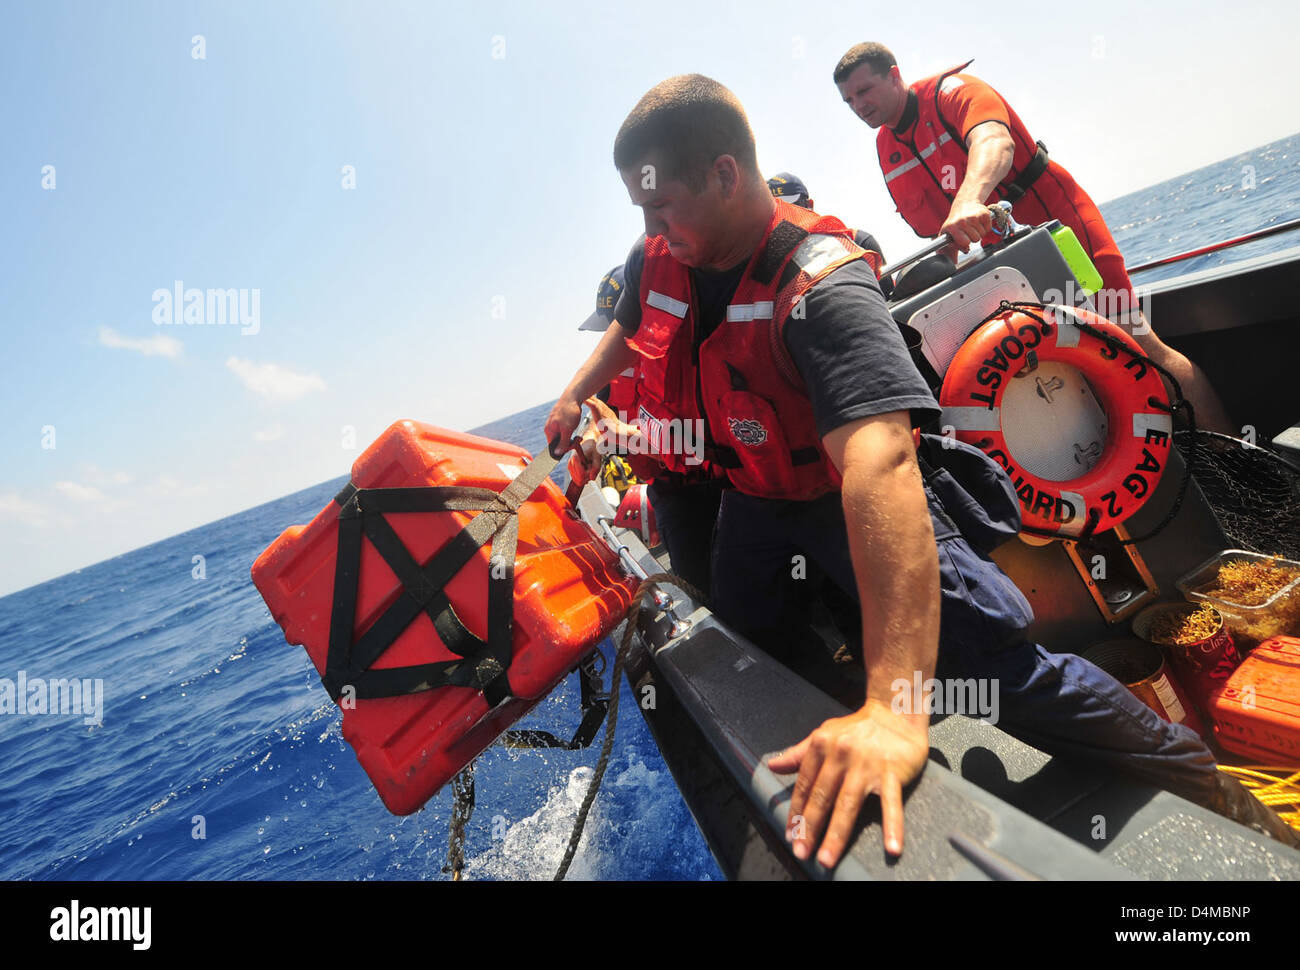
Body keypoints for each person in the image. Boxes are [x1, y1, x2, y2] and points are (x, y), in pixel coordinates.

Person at [544, 74, 1295, 867]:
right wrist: (572, 397)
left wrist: (895, 708)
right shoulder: (659, 252)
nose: (651, 226)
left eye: (661, 204)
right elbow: (630, 326)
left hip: (846, 496)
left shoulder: (823, 284)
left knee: (999, 670)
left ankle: (1201, 782)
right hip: (756, 503)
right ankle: (819, 777)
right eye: (641, 208)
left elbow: (882, 460)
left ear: (726, 175)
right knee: (746, 640)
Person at [832, 42, 1234, 433]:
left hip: (1061, 229)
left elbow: (993, 141)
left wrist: (969, 198)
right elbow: (950, 238)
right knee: (1072, 363)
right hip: (1006, 264)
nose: (859, 106)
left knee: (1137, 343)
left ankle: (1240, 460)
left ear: (895, 76)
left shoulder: (954, 92)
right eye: (849, 101)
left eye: (864, 90)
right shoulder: (887, 148)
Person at [570, 266, 726, 597]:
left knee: (746, 583)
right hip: (670, 494)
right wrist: (592, 443)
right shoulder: (617, 374)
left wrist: (621, 435)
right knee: (696, 588)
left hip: (723, 485)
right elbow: (601, 415)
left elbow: (705, 440)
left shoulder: (694, 358)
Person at [767, 171, 893, 299]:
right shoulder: (765, 271)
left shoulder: (858, 242)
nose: (786, 216)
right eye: (778, 212)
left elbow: (889, 299)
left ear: (809, 205)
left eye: (792, 207)